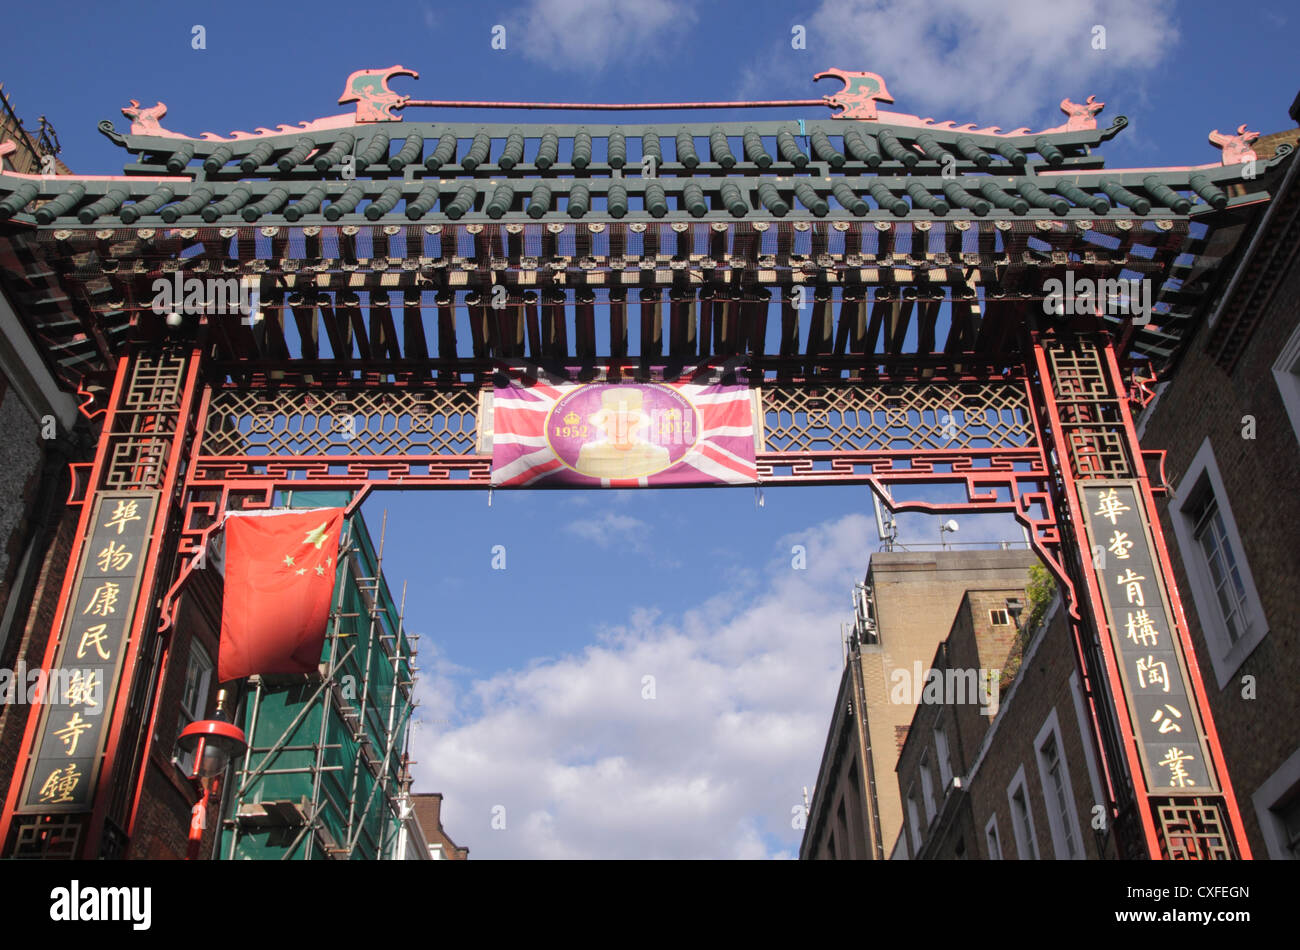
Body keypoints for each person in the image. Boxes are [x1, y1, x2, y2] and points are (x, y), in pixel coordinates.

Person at [574, 388, 671, 478]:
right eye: (613, 421)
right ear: (604, 424)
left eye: (628, 421)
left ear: (638, 424)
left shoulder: (659, 455)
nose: (620, 428)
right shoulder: (588, 452)